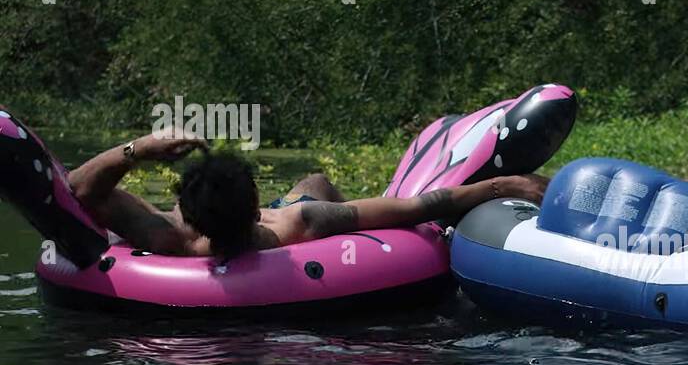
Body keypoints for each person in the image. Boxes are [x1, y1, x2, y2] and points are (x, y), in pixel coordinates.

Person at [67, 130, 547, 258]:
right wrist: (503, 185)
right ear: (258, 206)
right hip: (292, 236)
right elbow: (422, 207)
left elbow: (79, 188)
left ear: (185, 214)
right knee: (315, 184)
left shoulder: (168, 238)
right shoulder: (304, 222)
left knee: (313, 183)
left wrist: (141, 149)